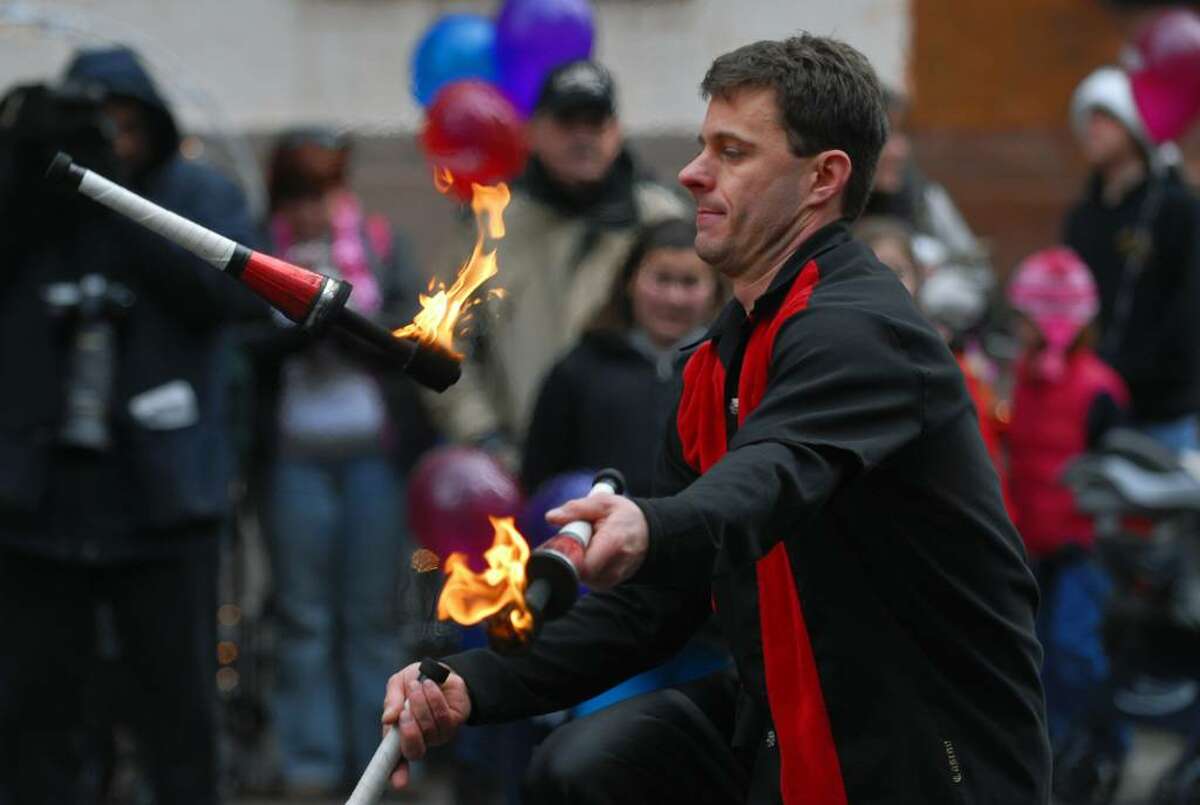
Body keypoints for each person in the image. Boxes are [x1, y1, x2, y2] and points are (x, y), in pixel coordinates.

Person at [383, 34, 1051, 804]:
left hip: (928, 746)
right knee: (583, 769)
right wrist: (471, 683)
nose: (693, 173)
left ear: (822, 179)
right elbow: (654, 605)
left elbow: (772, 470)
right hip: (780, 712)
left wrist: (650, 525)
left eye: (732, 152)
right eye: (703, 147)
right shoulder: (715, 360)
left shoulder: (861, 328)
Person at [0, 46, 263, 804]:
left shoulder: (195, 194)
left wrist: (117, 199)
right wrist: (33, 172)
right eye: (92, 123)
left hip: (163, 505)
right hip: (38, 507)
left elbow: (227, 298)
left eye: (122, 121)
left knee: (178, 714)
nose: (110, 138)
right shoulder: (29, 194)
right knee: (36, 716)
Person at [241, 129, 436, 795]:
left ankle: (376, 759)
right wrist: (297, 326)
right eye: (299, 195)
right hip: (293, 458)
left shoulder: (379, 247)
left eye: (323, 192)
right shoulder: (261, 253)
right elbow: (245, 349)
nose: (314, 210)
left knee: (372, 615)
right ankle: (310, 762)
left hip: (372, 458)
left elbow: (410, 342)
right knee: (303, 615)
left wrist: (347, 321)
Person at [429, 59, 689, 453]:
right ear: (532, 132)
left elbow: (706, 335)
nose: (582, 137)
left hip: (644, 462)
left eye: (596, 123)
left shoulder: (662, 219)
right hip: (520, 459)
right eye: (567, 123)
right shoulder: (489, 226)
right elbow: (442, 341)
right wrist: (482, 435)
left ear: (616, 132)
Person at [521, 217, 725, 497]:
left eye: (689, 282)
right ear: (630, 282)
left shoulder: (731, 367)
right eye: (661, 279)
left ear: (715, 292)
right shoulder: (579, 370)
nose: (673, 298)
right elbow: (540, 480)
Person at [1064, 66, 1200, 453]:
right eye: (1087, 118)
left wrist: (1132, 373)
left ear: (1134, 123)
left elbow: (1187, 310)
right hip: (1093, 411)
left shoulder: (1178, 211)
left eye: (1105, 116)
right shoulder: (1082, 219)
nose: (1092, 128)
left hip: (1164, 413)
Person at [863, 88, 987, 273]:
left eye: (902, 133)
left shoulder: (923, 195)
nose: (900, 150)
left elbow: (976, 269)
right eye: (886, 135)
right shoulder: (826, 206)